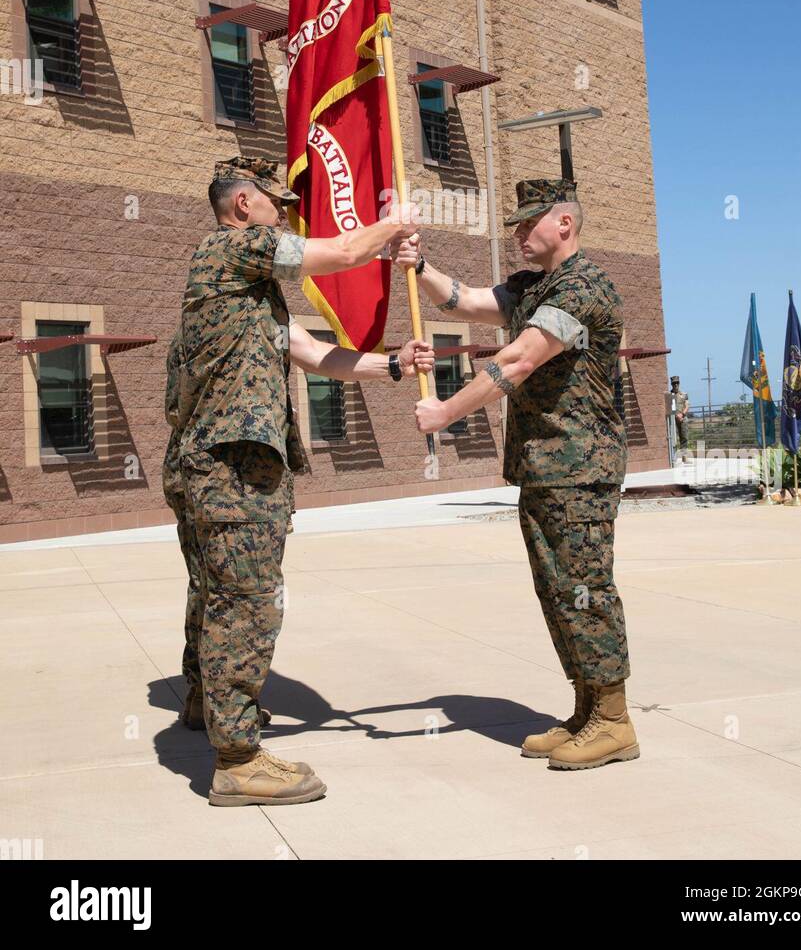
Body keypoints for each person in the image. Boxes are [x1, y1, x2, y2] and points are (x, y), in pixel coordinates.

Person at [170, 155, 430, 807]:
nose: (284, 215)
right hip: (231, 468)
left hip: (219, 465)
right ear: (242, 207)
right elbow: (343, 251)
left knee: (216, 595)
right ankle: (236, 760)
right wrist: (392, 223)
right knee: (246, 603)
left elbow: (314, 354)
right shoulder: (231, 249)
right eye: (274, 204)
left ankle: (207, 706)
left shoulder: (248, 290)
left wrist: (392, 365)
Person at [393, 177, 639, 772]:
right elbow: (466, 302)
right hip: (545, 464)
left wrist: (447, 412)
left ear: (564, 224)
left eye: (529, 223)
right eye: (514, 223)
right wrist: (418, 264)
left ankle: (614, 719)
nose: (517, 233)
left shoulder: (583, 288)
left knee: (584, 588)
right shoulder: (536, 286)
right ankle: (586, 709)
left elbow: (519, 359)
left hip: (580, 466)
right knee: (556, 587)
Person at [668, 375, 690, 449]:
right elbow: (668, 407)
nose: (676, 385)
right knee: (672, 437)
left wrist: (682, 414)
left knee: (684, 437)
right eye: (674, 383)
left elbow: (687, 406)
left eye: (677, 383)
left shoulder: (684, 394)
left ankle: (684, 456)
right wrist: (675, 415)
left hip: (682, 418)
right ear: (671, 384)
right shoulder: (669, 395)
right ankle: (673, 456)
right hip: (673, 419)